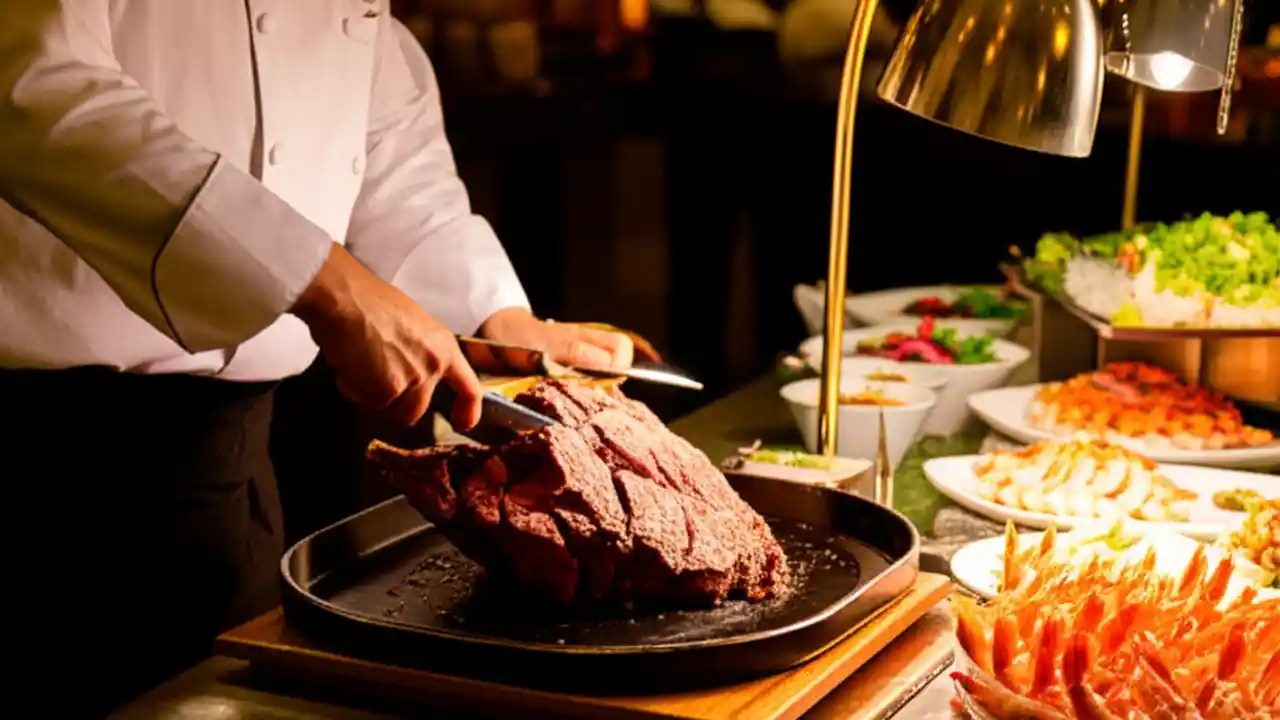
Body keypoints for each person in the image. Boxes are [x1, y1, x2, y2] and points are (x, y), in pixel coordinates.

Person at [0, 2, 634, 716]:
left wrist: (492, 315)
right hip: (44, 464)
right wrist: (332, 284)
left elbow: (371, 102)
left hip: (227, 471)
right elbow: (34, 86)